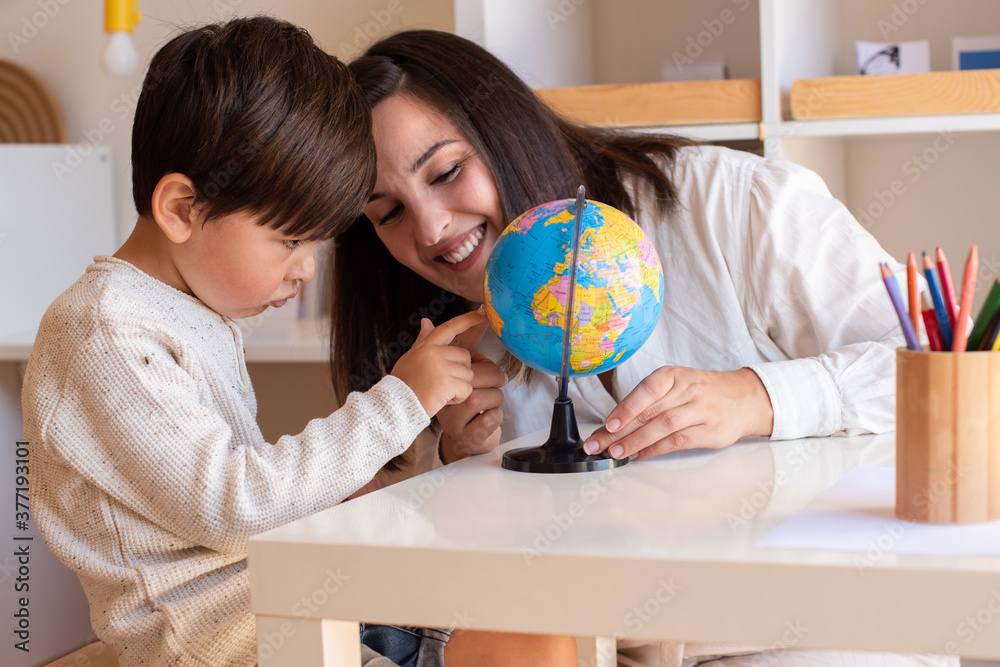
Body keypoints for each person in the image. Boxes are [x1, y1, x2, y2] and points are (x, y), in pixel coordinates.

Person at [331, 29, 956, 667]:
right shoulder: (422, 335)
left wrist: (758, 397)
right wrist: (456, 459)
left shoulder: (731, 204)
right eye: (388, 214)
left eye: (448, 172)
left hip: (813, 621)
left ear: (505, 131)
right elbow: (440, 600)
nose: (431, 228)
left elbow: (948, 372)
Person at [21, 17, 575, 667]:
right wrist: (401, 400)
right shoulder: (105, 333)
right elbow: (233, 503)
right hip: (226, 642)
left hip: (292, 601)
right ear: (180, 209)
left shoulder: (185, 312)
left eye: (319, 243)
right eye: (290, 240)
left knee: (539, 630)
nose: (308, 268)